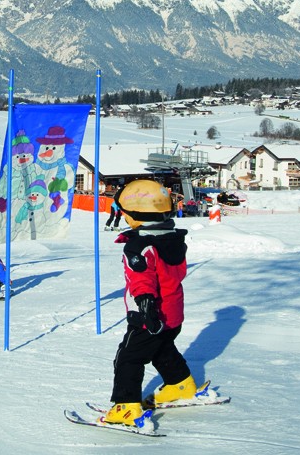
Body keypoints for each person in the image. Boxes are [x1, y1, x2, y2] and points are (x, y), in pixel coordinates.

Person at [102, 179, 199, 431]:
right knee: (162, 348)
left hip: (150, 314)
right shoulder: (173, 240)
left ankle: (127, 406)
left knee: (128, 357)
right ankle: (180, 384)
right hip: (173, 312)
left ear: (134, 214)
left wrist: (145, 306)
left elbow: (142, 279)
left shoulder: (139, 246)